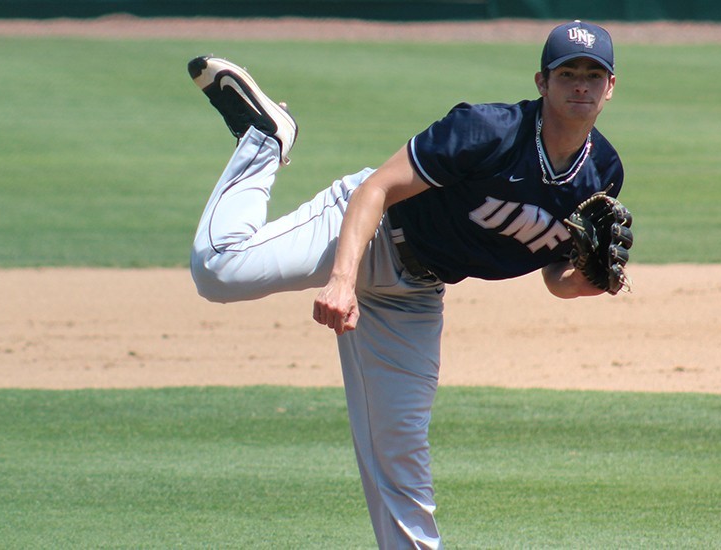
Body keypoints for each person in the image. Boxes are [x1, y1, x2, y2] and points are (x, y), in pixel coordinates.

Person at [187, 20, 625, 549]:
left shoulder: (601, 171)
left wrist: (590, 281)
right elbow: (376, 189)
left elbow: (556, 274)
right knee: (219, 270)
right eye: (568, 73)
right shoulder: (486, 130)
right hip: (365, 231)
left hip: (415, 294)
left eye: (593, 74)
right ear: (542, 81)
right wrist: (342, 281)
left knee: (399, 449)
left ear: (610, 86)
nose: (580, 84)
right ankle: (265, 138)